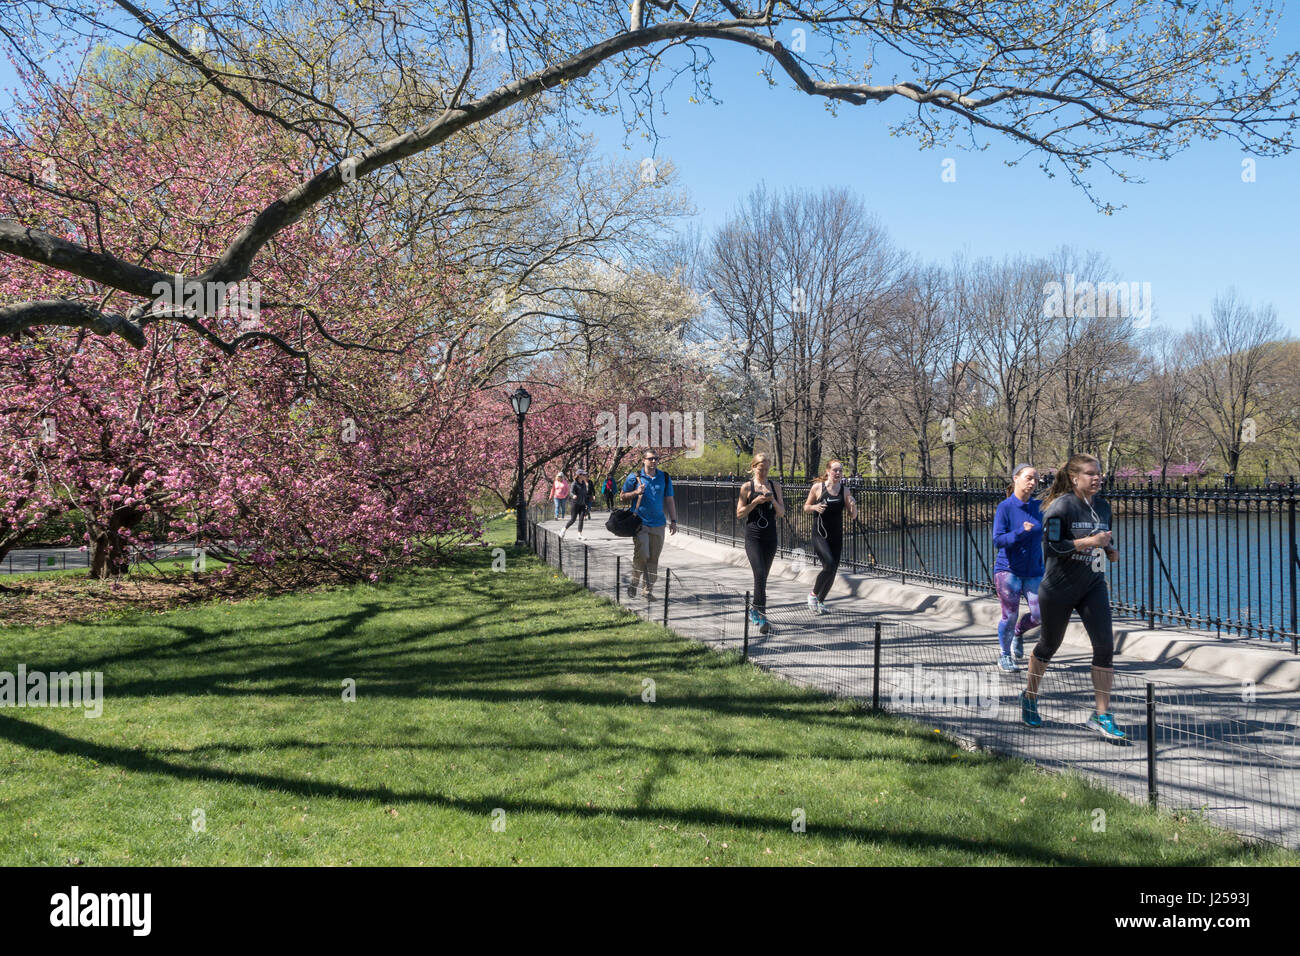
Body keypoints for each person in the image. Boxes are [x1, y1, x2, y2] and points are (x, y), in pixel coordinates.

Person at [1020, 453, 1125, 740]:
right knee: (1049, 645)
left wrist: (1109, 550)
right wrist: (1090, 541)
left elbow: (1105, 538)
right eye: (1090, 473)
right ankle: (1029, 696)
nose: (1096, 478)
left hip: (1092, 586)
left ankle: (1101, 714)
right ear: (1075, 478)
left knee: (1104, 647)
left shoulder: (1103, 506)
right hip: (1058, 588)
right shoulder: (1060, 507)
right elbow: (1053, 547)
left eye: (1099, 473)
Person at [992, 463, 1044, 672]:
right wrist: (1019, 532)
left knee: (1041, 615)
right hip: (1008, 570)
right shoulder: (1005, 507)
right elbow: (997, 540)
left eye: (1036, 479)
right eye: (1029, 478)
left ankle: (1018, 633)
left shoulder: (1039, 507)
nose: (1033, 483)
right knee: (1009, 614)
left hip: (1033, 571)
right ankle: (1004, 655)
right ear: (1016, 478)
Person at [737, 453, 784, 634]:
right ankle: (762, 616)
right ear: (754, 467)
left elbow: (781, 512)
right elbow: (740, 513)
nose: (763, 472)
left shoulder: (775, 486)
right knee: (759, 572)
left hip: (770, 537)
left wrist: (772, 499)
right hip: (753, 537)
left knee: (763, 577)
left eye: (766, 469)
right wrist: (755, 502)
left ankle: (754, 610)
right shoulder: (746, 487)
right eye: (760, 469)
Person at [802, 458, 857, 614]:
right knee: (830, 564)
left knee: (832, 570)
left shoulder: (844, 490)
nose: (838, 473)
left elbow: (853, 516)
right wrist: (815, 507)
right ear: (828, 471)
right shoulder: (817, 488)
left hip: (836, 535)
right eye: (835, 470)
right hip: (820, 533)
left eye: (840, 470)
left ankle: (821, 601)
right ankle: (813, 595)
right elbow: (806, 507)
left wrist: (853, 505)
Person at [620, 450, 677, 599]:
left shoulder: (664, 477)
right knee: (642, 554)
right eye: (651, 459)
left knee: (653, 558)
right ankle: (634, 582)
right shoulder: (634, 478)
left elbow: (669, 500)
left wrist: (674, 521)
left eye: (656, 459)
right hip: (640, 523)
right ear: (643, 460)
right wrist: (636, 492)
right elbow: (622, 497)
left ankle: (647, 590)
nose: (654, 461)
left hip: (658, 523)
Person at [560, 469, 595, 540]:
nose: (585, 476)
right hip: (575, 504)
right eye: (583, 475)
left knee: (581, 519)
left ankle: (579, 534)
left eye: (585, 475)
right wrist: (573, 495)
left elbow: (585, 494)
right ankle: (564, 529)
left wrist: (588, 499)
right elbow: (571, 492)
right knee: (573, 519)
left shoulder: (584, 484)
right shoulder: (574, 483)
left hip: (582, 504)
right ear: (579, 475)